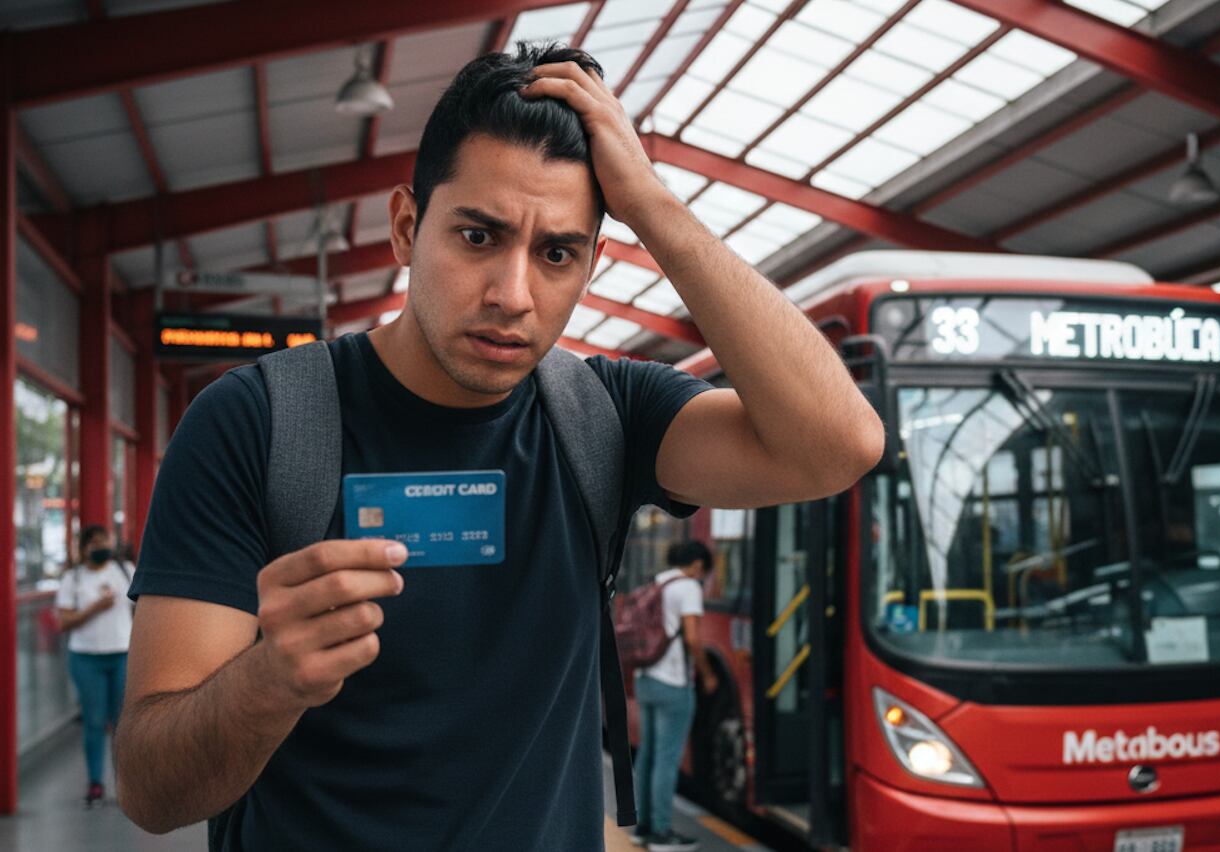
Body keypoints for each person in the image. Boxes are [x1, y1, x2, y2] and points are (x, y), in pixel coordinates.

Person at [115, 42, 883, 851]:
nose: (512, 296)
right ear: (408, 227)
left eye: (558, 253)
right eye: (478, 237)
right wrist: (268, 682)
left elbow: (838, 446)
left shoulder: (607, 417)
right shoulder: (258, 423)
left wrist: (656, 207)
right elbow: (151, 789)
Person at [632, 540, 718, 851]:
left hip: (645, 678)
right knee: (667, 759)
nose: (702, 576)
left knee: (646, 755)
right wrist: (707, 674)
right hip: (672, 684)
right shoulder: (688, 588)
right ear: (697, 564)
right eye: (704, 570)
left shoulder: (658, 581)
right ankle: (662, 833)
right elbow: (694, 639)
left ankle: (642, 826)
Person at [56, 524, 134, 808]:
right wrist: (94, 608)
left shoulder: (125, 571)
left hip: (122, 654)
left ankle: (126, 783)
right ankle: (96, 782)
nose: (102, 546)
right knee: (94, 720)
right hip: (86, 657)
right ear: (85, 547)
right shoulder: (73, 578)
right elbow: (64, 622)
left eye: (106, 541)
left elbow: (141, 609)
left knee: (122, 721)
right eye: (96, 542)